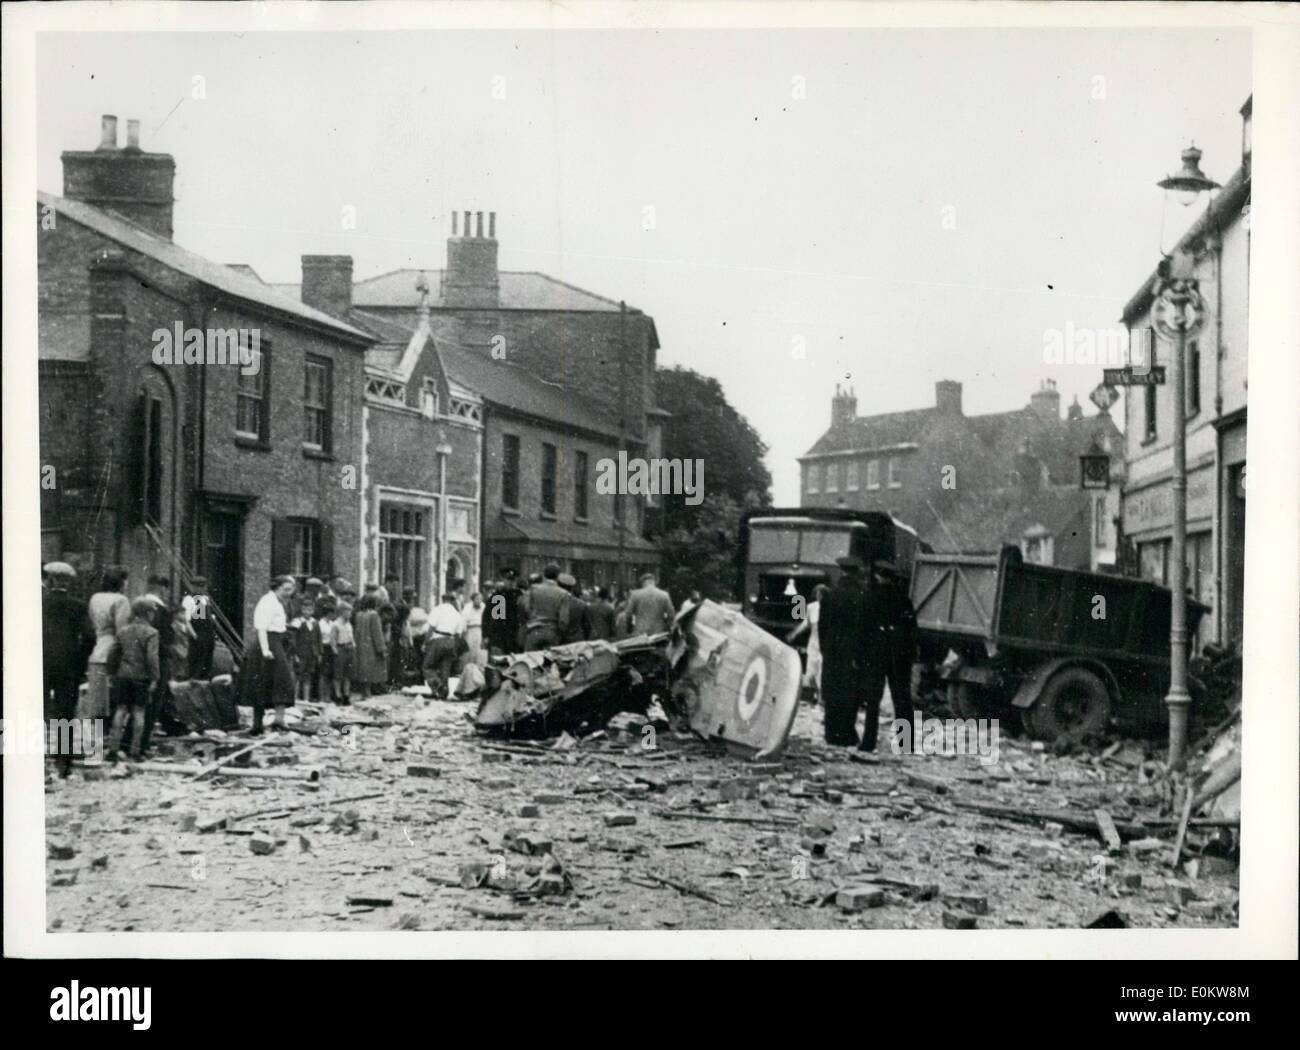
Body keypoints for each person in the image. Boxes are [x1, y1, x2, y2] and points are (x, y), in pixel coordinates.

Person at [818, 556, 879, 748]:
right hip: (852, 653)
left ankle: (830, 733)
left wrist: (825, 649)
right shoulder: (862, 595)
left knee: (831, 691)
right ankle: (846, 735)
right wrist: (862, 655)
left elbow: (822, 626)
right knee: (850, 693)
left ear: (842, 571)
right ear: (856, 572)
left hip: (832, 651)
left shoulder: (830, 594)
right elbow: (866, 629)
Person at [42, 562, 88, 776]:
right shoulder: (78, 606)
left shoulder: (38, 602)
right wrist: (79, 662)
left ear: (49, 580)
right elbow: (89, 637)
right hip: (68, 666)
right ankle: (63, 764)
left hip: (40, 663)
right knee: (65, 713)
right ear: (68, 582)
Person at [241, 575, 297, 735]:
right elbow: (261, 628)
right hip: (267, 643)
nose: (289, 593)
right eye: (286, 589)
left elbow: (275, 624)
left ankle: (279, 719)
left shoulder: (278, 603)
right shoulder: (267, 602)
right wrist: (266, 650)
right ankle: (257, 724)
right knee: (264, 680)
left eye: (291, 590)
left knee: (279, 680)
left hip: (276, 641)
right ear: (277, 588)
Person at [107, 597, 161, 762]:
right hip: (141, 677)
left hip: (123, 675)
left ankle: (113, 750)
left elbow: (113, 654)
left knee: (120, 710)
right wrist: (154, 678)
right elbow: (152, 657)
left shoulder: (123, 631)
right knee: (139, 712)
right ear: (148, 613)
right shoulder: (151, 632)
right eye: (152, 612)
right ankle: (135, 752)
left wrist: (111, 673)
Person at [869, 561, 918, 730]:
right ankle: (906, 742)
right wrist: (910, 654)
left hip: (876, 652)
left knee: (873, 698)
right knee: (902, 698)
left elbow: (863, 628)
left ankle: (868, 740)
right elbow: (912, 629)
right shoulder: (904, 599)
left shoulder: (871, 597)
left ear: (877, 576)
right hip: (900, 654)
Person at [82, 566, 131, 722]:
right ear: (121, 582)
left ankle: (96, 734)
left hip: (95, 648)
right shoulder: (121, 600)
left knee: (97, 696)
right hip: (112, 649)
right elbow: (122, 629)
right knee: (112, 695)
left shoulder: (95, 598)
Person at [788, 582, 829, 705]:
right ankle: (816, 693)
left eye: (821, 594)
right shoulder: (811, 607)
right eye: (817, 594)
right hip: (813, 643)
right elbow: (806, 624)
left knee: (821, 673)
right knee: (810, 673)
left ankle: (821, 698)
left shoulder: (831, 607)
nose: (819, 596)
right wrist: (794, 633)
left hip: (825, 644)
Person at [423, 592, 465, 697]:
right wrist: (455, 648)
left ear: (442, 600)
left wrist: (425, 642)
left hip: (438, 639)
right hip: (450, 641)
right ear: (452, 601)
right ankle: (444, 691)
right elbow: (458, 634)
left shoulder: (437, 609)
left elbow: (431, 628)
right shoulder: (457, 614)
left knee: (427, 666)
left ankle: (437, 683)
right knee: (445, 667)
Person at [521, 565, 570, 651]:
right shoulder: (563, 594)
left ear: (544, 575)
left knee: (530, 661)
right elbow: (563, 619)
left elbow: (526, 607)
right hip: (552, 631)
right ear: (558, 576)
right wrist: (560, 633)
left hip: (534, 629)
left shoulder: (533, 589)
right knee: (551, 661)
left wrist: (532, 617)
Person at [353, 594, 389, 697]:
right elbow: (377, 633)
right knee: (371, 669)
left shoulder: (358, 614)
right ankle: (368, 693)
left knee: (362, 669)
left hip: (360, 645)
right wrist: (382, 648)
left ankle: (364, 692)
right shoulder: (374, 615)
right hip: (371, 647)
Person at [184, 576, 217, 680]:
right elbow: (187, 620)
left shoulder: (205, 599)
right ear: (193, 587)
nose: (202, 589)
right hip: (198, 634)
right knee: (197, 664)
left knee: (207, 663)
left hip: (208, 634)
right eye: (199, 587)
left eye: (203, 586)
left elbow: (207, 617)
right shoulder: (189, 599)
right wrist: (194, 636)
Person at [485, 569, 522, 657]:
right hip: (500, 638)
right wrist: (487, 635)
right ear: (503, 580)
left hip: (515, 638)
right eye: (508, 579)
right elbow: (494, 620)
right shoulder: (498, 597)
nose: (510, 582)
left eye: (512, 580)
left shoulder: (519, 596)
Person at [626, 572, 674, 636]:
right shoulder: (664, 594)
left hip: (640, 632)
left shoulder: (635, 594)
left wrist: (629, 629)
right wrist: (666, 626)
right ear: (654, 582)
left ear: (643, 583)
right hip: (659, 632)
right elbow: (671, 615)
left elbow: (628, 614)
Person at [291, 598, 321, 702]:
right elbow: (293, 639)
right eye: (305, 609)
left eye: (310, 610)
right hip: (301, 653)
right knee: (298, 676)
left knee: (308, 676)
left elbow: (318, 638)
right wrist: (295, 654)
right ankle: (294, 698)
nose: (307, 612)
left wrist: (318, 653)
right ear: (302, 610)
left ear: (313, 611)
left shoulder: (315, 623)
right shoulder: (298, 622)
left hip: (311, 654)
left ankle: (306, 699)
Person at [331, 602, 356, 704]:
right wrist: (335, 651)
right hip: (341, 649)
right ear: (342, 612)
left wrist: (353, 645)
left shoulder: (349, 624)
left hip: (349, 648)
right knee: (338, 674)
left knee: (348, 674)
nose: (350, 614)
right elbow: (332, 639)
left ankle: (346, 695)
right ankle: (337, 695)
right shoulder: (336, 624)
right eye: (348, 611)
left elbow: (351, 636)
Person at [558, 573, 588, 643]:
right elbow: (587, 626)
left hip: (559, 641)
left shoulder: (555, 602)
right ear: (572, 588)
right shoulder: (581, 604)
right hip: (576, 641)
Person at [462, 591, 486, 665]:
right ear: (473, 599)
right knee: (469, 650)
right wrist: (464, 632)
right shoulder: (467, 607)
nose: (479, 601)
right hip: (470, 630)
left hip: (480, 630)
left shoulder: (483, 606)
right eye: (477, 599)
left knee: (479, 651)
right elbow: (463, 620)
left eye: (480, 599)